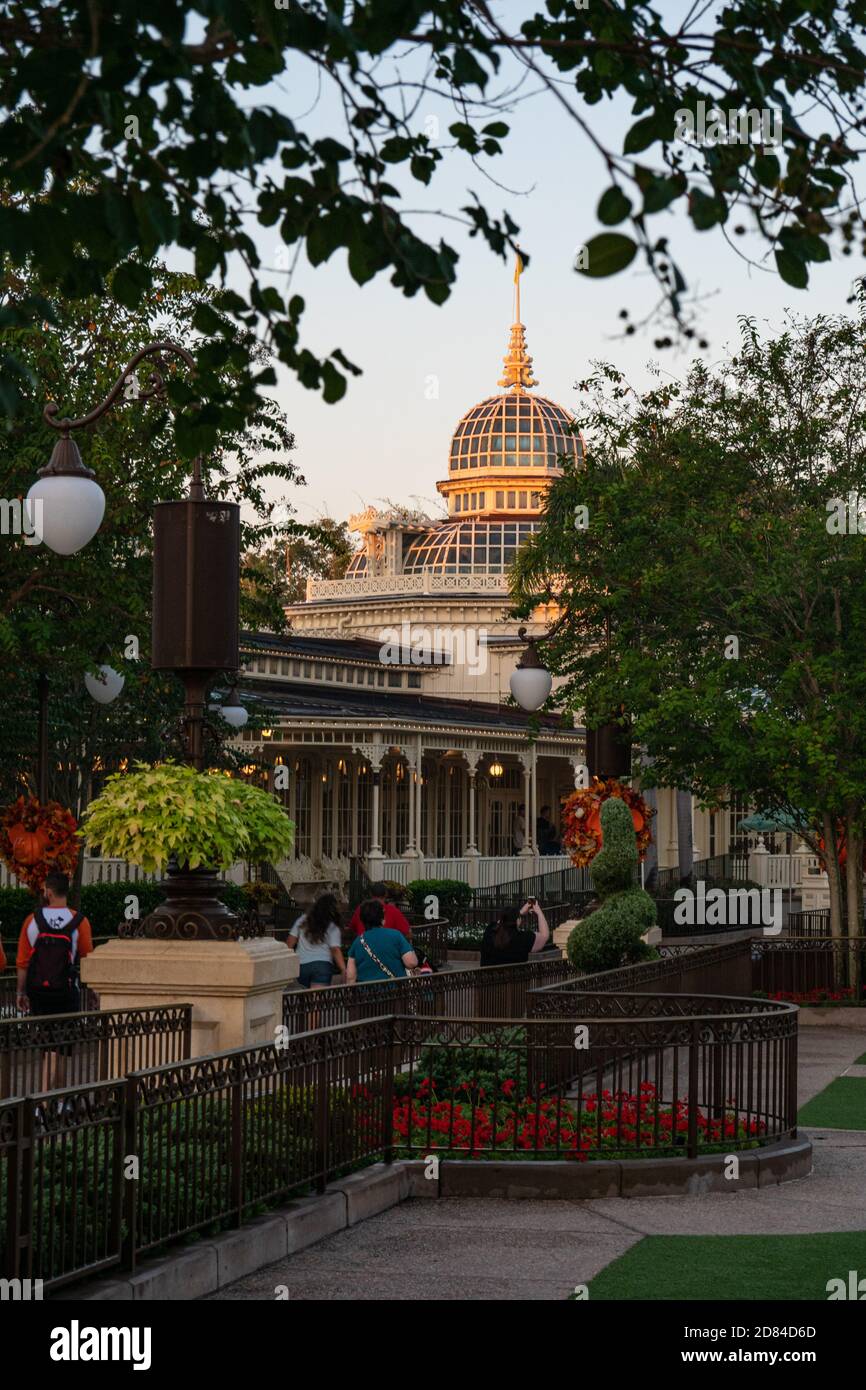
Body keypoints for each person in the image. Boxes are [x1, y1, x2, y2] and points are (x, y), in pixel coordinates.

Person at [15, 871, 94, 1088]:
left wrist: (21, 993)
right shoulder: (80, 922)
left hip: (38, 992)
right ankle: (54, 1100)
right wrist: (94, 992)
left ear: (48, 892)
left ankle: (45, 1101)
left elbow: (22, 963)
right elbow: (88, 958)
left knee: (48, 1048)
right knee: (60, 1048)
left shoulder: (32, 921)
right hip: (67, 992)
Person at [346, 898, 418, 984]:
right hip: (395, 992)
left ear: (362, 920)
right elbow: (411, 963)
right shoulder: (395, 935)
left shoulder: (357, 942)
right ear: (382, 918)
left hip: (366, 993)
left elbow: (350, 977)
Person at [287, 891, 346, 990]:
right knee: (316, 1001)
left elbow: (290, 942)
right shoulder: (332, 926)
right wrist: (344, 969)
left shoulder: (302, 920)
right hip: (322, 966)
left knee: (304, 996)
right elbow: (335, 949)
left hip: (302, 965)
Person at [480, 899, 550, 967]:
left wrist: (519, 913)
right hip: (514, 978)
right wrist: (538, 912)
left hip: (488, 977)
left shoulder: (490, 931)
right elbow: (544, 936)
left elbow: (502, 921)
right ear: (518, 920)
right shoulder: (523, 938)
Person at [347, 881, 412, 940]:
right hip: (386, 949)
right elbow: (408, 934)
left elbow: (352, 929)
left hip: (363, 948)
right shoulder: (392, 910)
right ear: (386, 894)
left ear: (370, 894)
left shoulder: (360, 908)